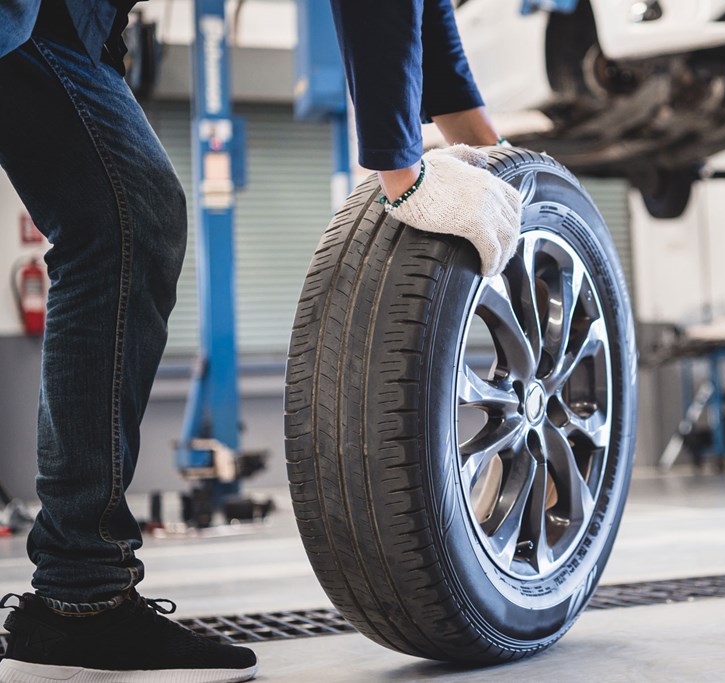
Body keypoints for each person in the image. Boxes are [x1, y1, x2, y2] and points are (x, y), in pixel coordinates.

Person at [0, 0, 521, 680]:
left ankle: (80, 594)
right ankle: (80, 593)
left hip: (60, 24)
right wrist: (401, 173)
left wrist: (496, 159)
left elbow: (421, 19)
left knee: (123, 221)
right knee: (124, 221)